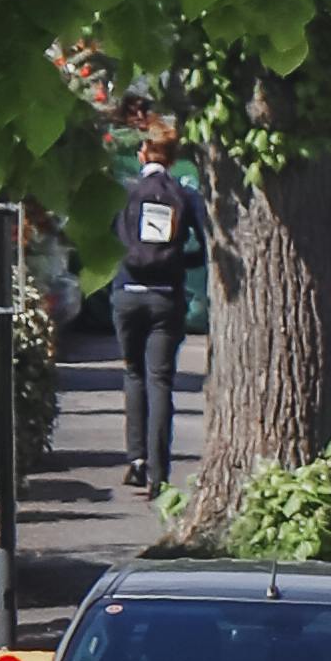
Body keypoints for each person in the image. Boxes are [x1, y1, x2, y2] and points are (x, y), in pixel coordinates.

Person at [108, 105, 207, 496]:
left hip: (128, 295)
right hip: (167, 296)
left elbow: (110, 241)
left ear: (143, 154)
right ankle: (159, 472)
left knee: (133, 373)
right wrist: (180, 264)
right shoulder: (184, 195)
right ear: (175, 156)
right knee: (160, 379)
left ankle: (135, 459)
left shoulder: (127, 193)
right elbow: (206, 243)